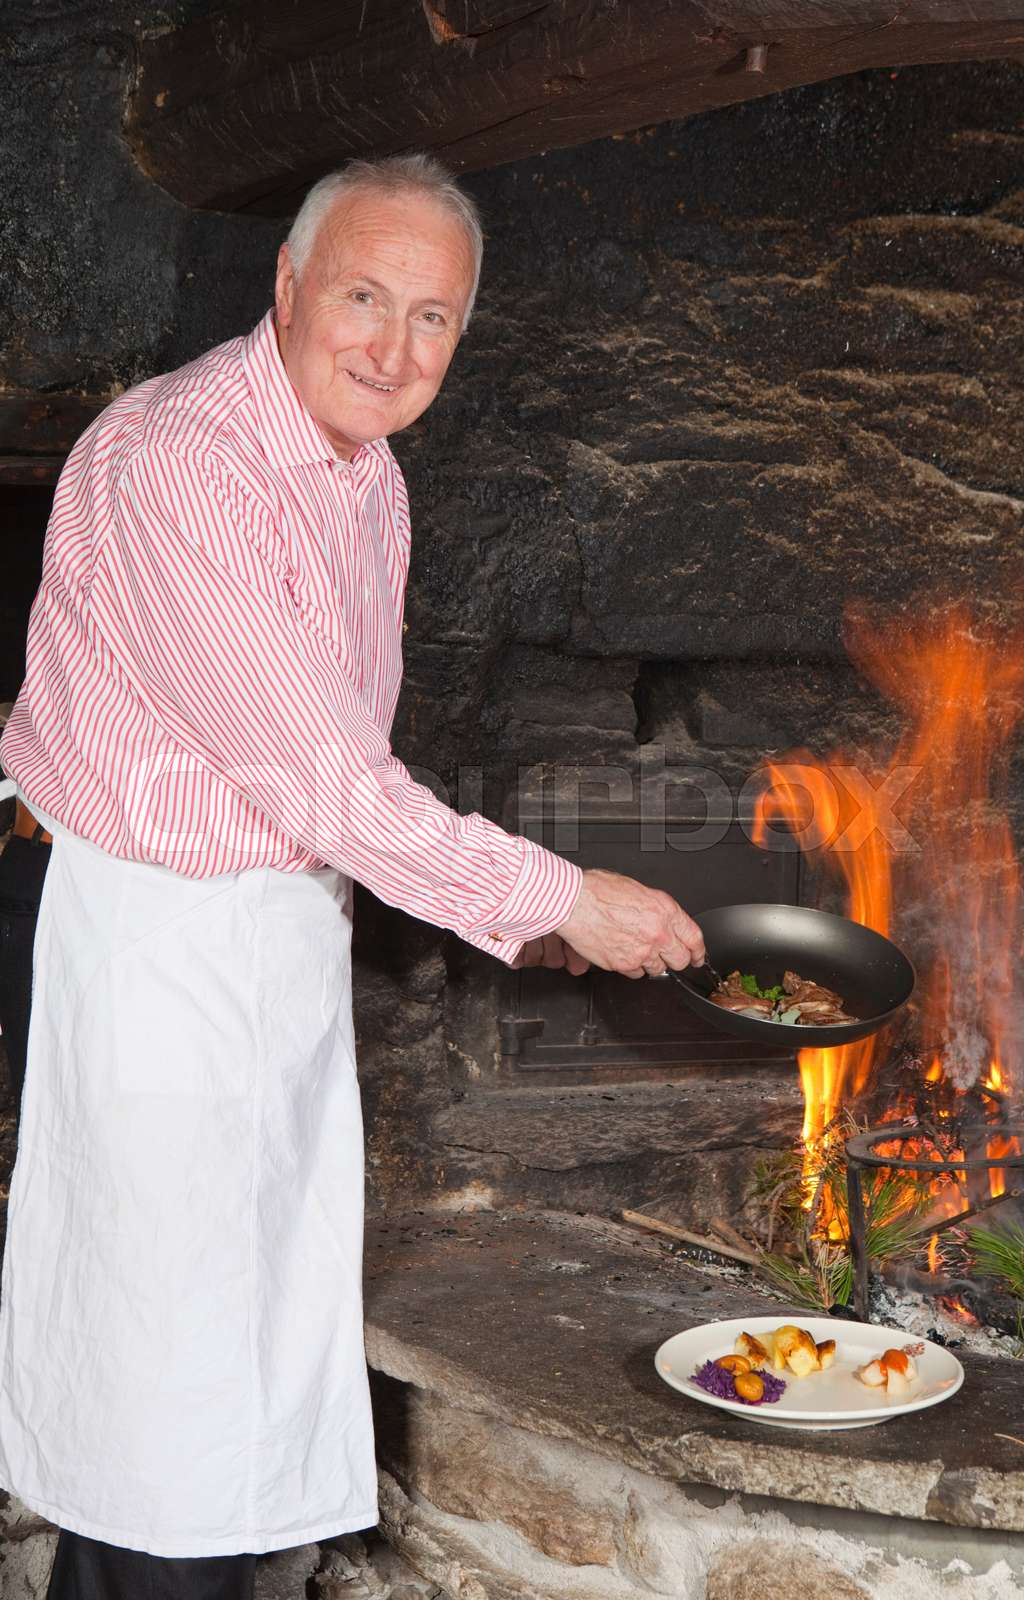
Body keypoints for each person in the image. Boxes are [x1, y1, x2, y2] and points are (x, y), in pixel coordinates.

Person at [0, 154, 704, 1599]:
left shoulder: (362, 468)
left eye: (434, 317)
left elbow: (322, 779)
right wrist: (552, 895)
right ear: (289, 289)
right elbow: (321, 776)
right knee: (168, 1419)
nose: (393, 346)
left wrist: (515, 922)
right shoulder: (185, 464)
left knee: (214, 1406)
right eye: (365, 297)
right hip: (155, 948)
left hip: (268, 943)